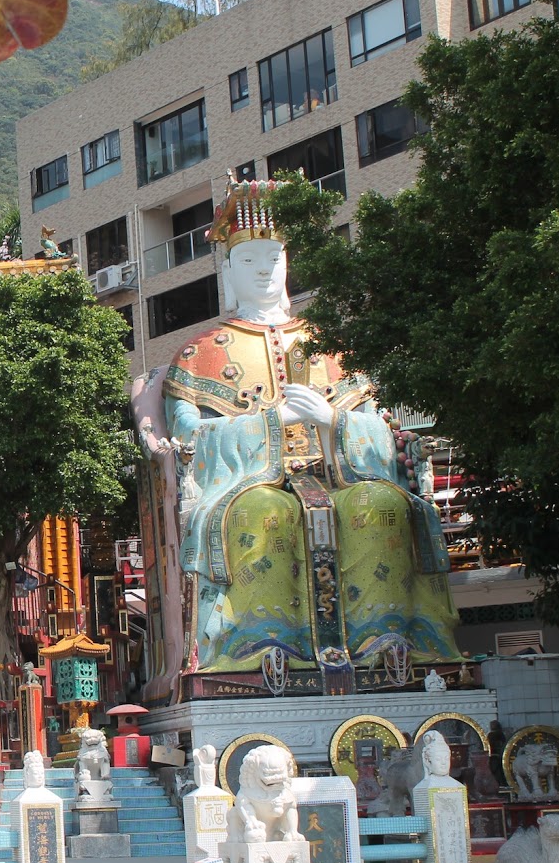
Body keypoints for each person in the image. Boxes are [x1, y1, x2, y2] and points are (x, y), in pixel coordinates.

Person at [144, 176, 461, 686]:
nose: (265, 269)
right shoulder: (202, 353)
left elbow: (383, 426)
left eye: (274, 256)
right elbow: (190, 440)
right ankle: (262, 641)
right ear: (227, 270)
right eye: (249, 260)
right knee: (265, 512)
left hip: (341, 474)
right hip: (249, 483)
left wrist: (334, 421)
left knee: (378, 505)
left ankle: (387, 635)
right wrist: (273, 423)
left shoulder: (330, 342)